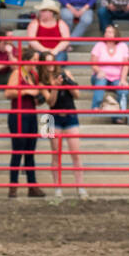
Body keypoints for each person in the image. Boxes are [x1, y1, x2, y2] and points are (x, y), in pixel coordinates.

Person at [5, 46, 48, 196]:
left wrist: (38, 98)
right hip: (18, 115)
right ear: (27, 60)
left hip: (31, 114)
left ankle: (32, 185)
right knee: (18, 151)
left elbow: (37, 96)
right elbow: (8, 92)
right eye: (34, 59)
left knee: (30, 151)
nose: (37, 62)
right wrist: (26, 91)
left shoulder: (33, 75)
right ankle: (13, 186)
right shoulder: (18, 73)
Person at [42, 56, 87, 197]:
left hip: (70, 115)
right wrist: (55, 87)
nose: (50, 64)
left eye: (52, 60)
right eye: (46, 61)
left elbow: (77, 94)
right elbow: (50, 102)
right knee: (55, 154)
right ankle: (57, 188)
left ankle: (80, 187)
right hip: (51, 118)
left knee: (76, 153)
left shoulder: (65, 73)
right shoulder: (42, 80)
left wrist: (66, 82)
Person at [90, 23, 129, 113]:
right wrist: (99, 71)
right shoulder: (99, 45)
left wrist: (123, 79)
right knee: (101, 80)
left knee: (124, 90)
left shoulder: (123, 46)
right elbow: (93, 63)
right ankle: (95, 107)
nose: (107, 34)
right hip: (100, 76)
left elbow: (126, 64)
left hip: (116, 77)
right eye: (106, 32)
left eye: (110, 32)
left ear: (116, 34)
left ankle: (119, 113)